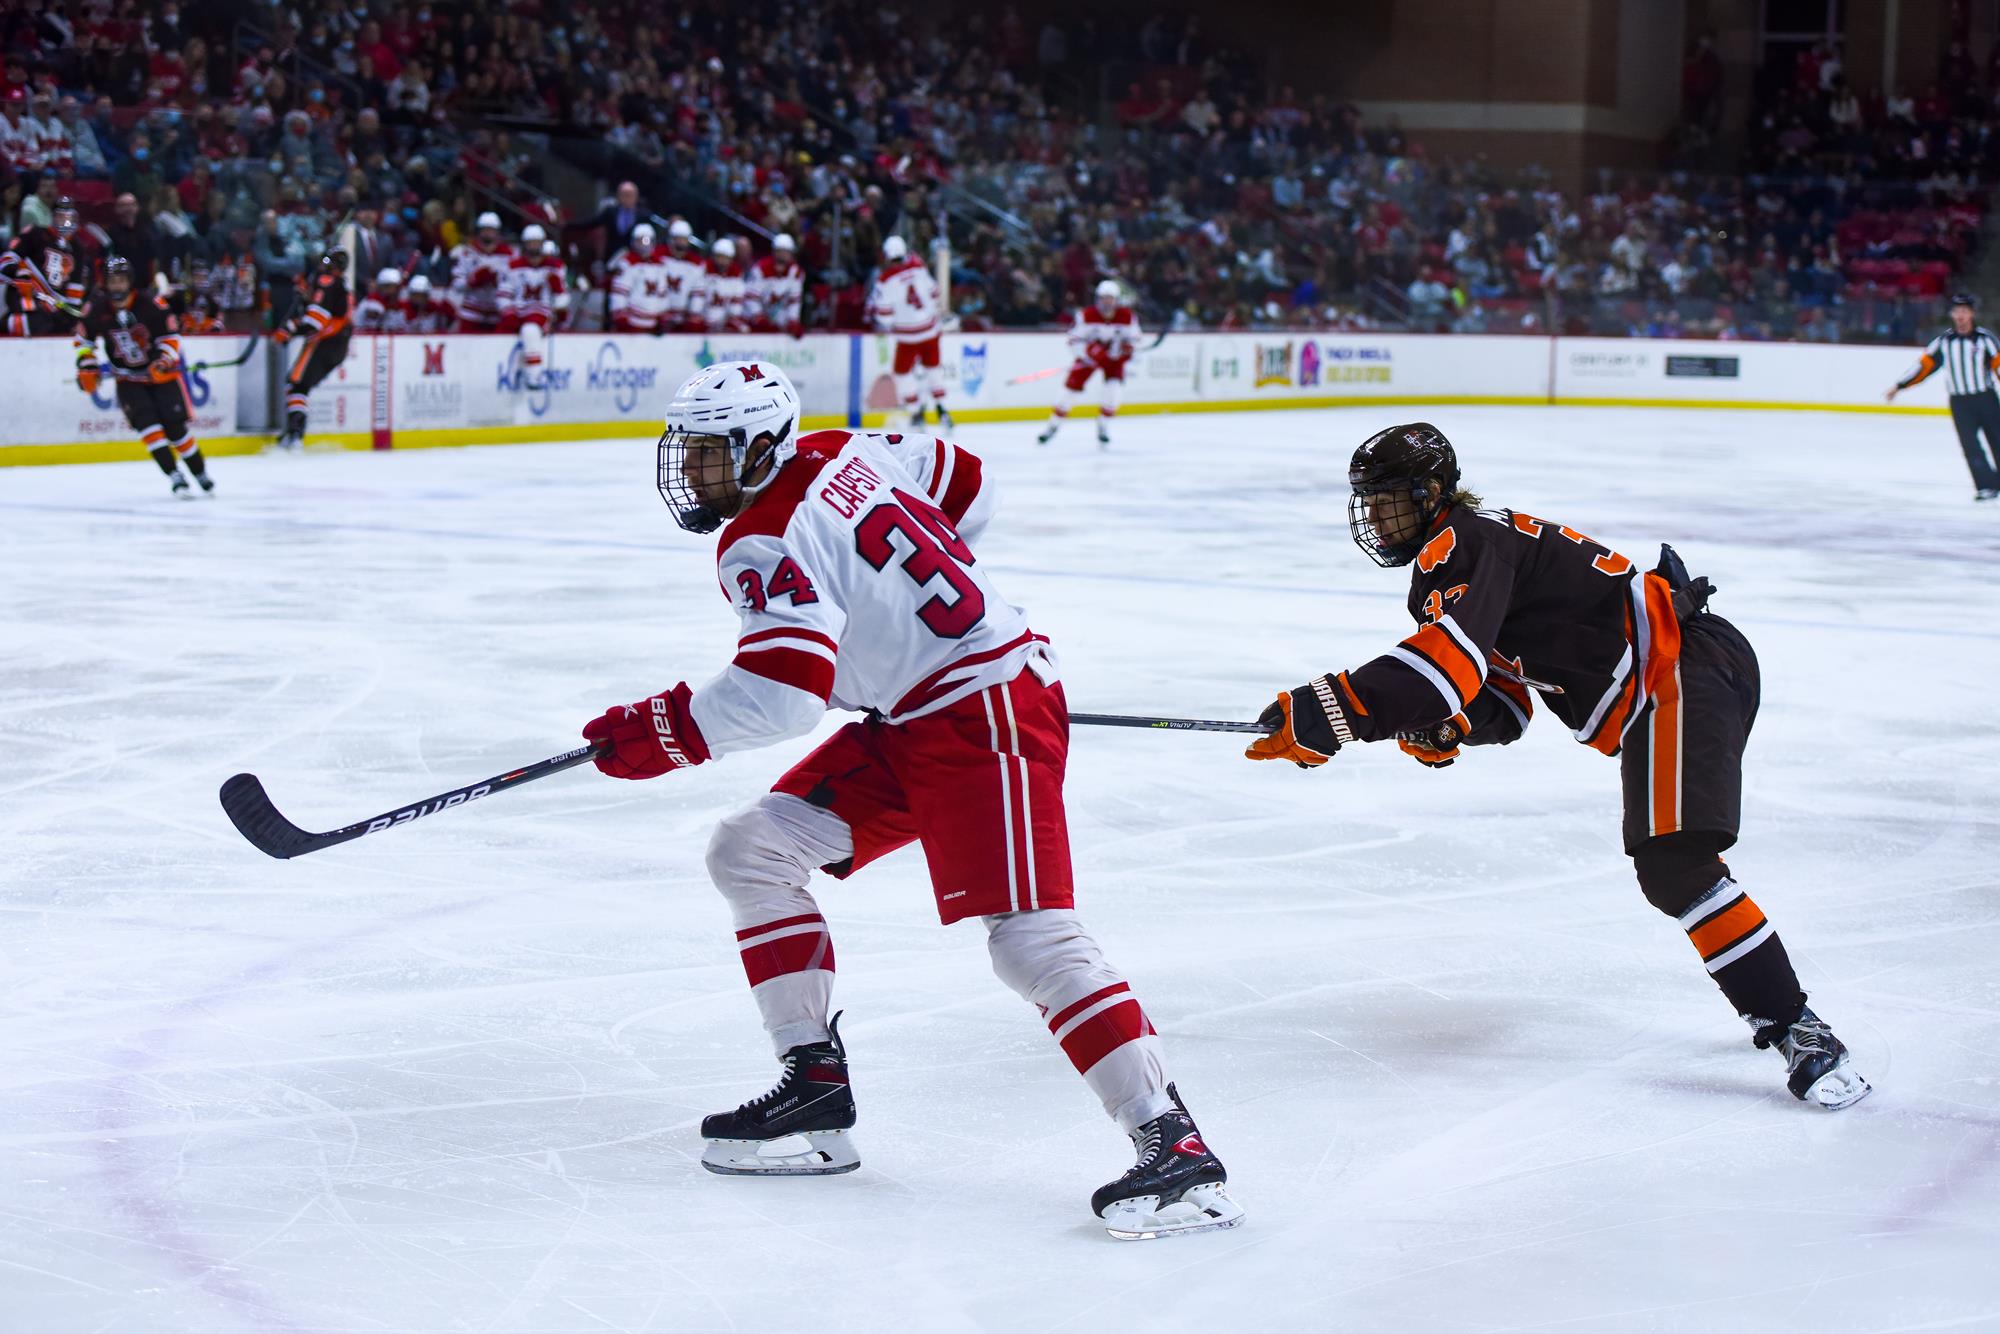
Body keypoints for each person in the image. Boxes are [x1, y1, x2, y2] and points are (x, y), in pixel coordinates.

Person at [579, 361, 1243, 1240]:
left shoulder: (760, 539)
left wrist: (667, 730)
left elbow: (784, 695)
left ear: (763, 445)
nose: (693, 472)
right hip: (928, 712)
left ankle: (1176, 1147)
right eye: (690, 450)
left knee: (1030, 937)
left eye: (712, 453)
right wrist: (904, 615)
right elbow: (970, 484)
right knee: (752, 851)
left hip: (982, 715)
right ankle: (814, 1088)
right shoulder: (848, 448)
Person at [1243, 423, 1871, 1112]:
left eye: (1389, 501)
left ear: (1432, 493)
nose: (1376, 518)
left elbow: (1445, 668)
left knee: (1676, 864)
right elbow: (1505, 704)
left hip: (1676, 668)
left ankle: (1798, 1027)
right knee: (1678, 866)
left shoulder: (1464, 542)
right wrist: (1449, 724)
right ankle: (1767, 989)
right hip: (1673, 673)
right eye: (1369, 503)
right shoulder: (1462, 557)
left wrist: (1327, 709)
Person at [71, 255, 214, 497]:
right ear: (105, 283)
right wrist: (87, 365)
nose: (117, 285)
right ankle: (174, 475)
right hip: (128, 381)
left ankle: (199, 472)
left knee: (176, 430)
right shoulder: (96, 308)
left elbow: (170, 337)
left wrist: (164, 360)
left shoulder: (150, 304)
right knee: (148, 428)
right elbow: (83, 341)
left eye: (121, 280)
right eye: (112, 281)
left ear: (130, 281)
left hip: (160, 377)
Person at [1885, 292, 2000, 500]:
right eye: (1957, 311)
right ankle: (1986, 485)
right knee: (1970, 445)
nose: (1961, 316)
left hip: (1986, 399)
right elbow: (1923, 368)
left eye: (1965, 311)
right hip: (1960, 402)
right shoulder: (1944, 342)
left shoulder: (1985, 339)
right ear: (1952, 314)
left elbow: (1998, 365)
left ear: (1972, 314)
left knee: (1998, 440)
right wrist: (1899, 385)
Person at [1037, 279, 1140, 448]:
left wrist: (1127, 349)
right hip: (1089, 360)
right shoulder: (1086, 315)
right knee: (1068, 392)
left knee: (1113, 393)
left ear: (1116, 300)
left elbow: (1135, 339)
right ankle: (1052, 426)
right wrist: (1088, 352)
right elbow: (1073, 340)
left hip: (1114, 361)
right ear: (1097, 299)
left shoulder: (1127, 317)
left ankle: (1103, 426)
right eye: (1103, 298)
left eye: (1110, 298)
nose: (1107, 302)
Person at [270, 249, 353, 451]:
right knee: (297, 385)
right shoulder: (341, 284)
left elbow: (314, 323)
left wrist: (289, 330)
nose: (322, 265)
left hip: (325, 343)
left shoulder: (327, 282)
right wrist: (306, 298)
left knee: (297, 385)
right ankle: (293, 432)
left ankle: (295, 434)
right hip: (338, 344)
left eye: (326, 261)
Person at [868, 235, 952, 429]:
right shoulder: (919, 267)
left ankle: (915, 411)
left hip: (907, 336)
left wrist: (892, 322)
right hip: (930, 329)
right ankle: (942, 408)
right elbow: (935, 293)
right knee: (933, 369)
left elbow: (884, 315)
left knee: (902, 373)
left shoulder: (884, 280)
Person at [0, 193, 82, 336]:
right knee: (37, 321)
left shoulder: (78, 248)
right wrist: (17, 271)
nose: (65, 222)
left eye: (69, 218)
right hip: (25, 294)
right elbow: (8, 258)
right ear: (53, 217)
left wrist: (72, 317)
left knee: (56, 325)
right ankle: (4, 324)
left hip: (53, 306)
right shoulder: (36, 234)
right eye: (61, 216)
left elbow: (75, 285)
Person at [501, 226, 567, 388]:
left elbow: (563, 300)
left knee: (530, 330)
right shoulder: (513, 265)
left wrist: (557, 288)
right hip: (518, 311)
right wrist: (508, 312)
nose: (534, 246)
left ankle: (534, 375)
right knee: (499, 334)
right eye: (530, 243)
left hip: (543, 311)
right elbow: (503, 294)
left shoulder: (555, 266)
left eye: (537, 243)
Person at [448, 211, 512, 334]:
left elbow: (513, 285)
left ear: (497, 232)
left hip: (496, 313)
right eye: (484, 230)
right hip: (471, 313)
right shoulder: (467, 253)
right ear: (479, 231)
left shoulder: (508, 255)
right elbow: (456, 284)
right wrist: (472, 280)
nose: (488, 233)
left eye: (491, 230)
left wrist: (498, 282)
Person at [608, 222, 665, 334]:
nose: (644, 245)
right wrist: (621, 318)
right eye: (639, 240)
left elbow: (662, 293)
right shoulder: (627, 263)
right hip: (633, 323)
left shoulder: (660, 265)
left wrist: (662, 317)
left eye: (646, 240)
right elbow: (619, 292)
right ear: (633, 242)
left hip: (654, 324)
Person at [748, 233, 803, 336]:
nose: (784, 254)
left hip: (781, 322)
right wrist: (759, 317)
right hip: (759, 320)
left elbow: (794, 300)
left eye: (787, 251)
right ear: (774, 251)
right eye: (780, 251)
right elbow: (752, 298)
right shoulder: (761, 268)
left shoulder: (795, 271)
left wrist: (793, 320)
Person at [659, 218, 708, 332]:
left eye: (684, 239)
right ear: (671, 240)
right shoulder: (658, 257)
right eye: (677, 239)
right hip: (659, 316)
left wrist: (693, 314)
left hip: (684, 318)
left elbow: (697, 293)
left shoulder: (696, 263)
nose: (680, 243)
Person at [703, 235, 748, 332]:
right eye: (719, 256)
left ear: (731, 259)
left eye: (725, 258)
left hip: (724, 324)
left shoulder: (736, 275)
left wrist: (730, 320)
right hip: (705, 322)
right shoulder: (704, 271)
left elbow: (736, 307)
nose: (722, 261)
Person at [355, 267, 405, 332]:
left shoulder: (398, 301)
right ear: (380, 286)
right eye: (387, 286)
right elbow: (373, 315)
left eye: (393, 286)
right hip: (364, 333)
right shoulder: (372, 299)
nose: (390, 289)